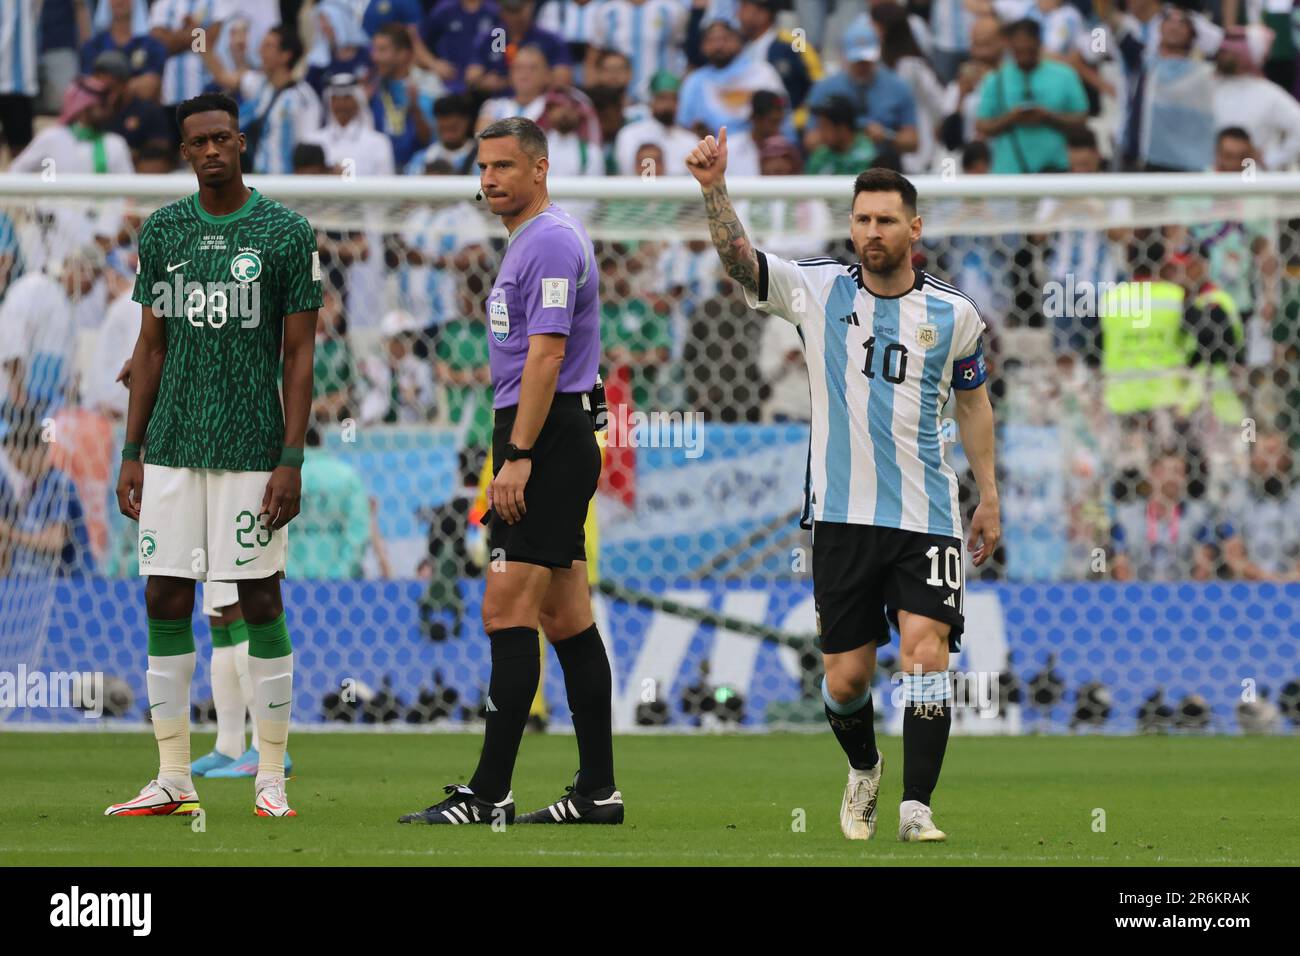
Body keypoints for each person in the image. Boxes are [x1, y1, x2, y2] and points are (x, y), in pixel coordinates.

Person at [687, 129, 1001, 843]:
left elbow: (975, 403)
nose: (871, 232)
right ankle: (864, 767)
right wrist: (714, 188)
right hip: (841, 517)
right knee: (847, 681)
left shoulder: (955, 315)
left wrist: (990, 493)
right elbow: (741, 262)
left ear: (914, 228)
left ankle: (916, 808)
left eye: (886, 220)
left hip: (926, 514)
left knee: (926, 651)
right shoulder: (817, 288)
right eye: (862, 219)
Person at [399, 117, 621, 827]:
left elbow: (547, 356)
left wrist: (517, 455)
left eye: (502, 165)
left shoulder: (551, 241)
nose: (489, 178)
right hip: (545, 431)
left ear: (539, 169)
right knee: (565, 616)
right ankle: (597, 794)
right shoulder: (530, 240)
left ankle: (490, 792)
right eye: (483, 166)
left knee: (504, 609)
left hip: (546, 434)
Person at [109, 91, 322, 819]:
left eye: (221, 138)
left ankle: (269, 777)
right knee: (164, 596)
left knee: (260, 597)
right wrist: (131, 450)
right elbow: (151, 346)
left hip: (251, 446)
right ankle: (173, 775)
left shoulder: (286, 232)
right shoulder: (163, 231)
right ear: (184, 151)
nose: (210, 151)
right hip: (171, 444)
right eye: (197, 142)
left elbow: (299, 357)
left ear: (241, 142)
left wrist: (291, 458)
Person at [974, 18, 1088, 175]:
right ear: (1010, 46)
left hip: (1054, 171)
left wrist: (1048, 116)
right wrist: (1011, 117)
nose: (1024, 56)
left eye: (1029, 50)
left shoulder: (1065, 75)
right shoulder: (995, 79)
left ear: (1038, 43)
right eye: (1018, 51)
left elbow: (1081, 119)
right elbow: (982, 125)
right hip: (1008, 173)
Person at [205, 26, 322, 175]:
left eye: (268, 46)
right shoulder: (260, 86)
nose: (261, 51)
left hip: (287, 184)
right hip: (260, 181)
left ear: (286, 55)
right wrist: (199, 40)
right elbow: (222, 76)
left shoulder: (304, 97)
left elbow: (309, 148)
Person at [806, 19, 919, 161]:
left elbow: (913, 142)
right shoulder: (824, 88)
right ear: (844, 56)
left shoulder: (898, 87)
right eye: (857, 61)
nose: (862, 67)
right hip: (836, 165)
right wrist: (838, 134)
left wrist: (886, 136)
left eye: (867, 61)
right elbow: (810, 141)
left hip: (883, 164)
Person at [676, 16, 785, 138]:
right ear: (703, 47)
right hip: (713, 152)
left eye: (725, 38)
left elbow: (779, 115)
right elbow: (684, 125)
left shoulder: (761, 72)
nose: (718, 45)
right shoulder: (694, 82)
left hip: (760, 149)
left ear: (738, 41)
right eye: (711, 40)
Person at [1212, 29, 1300, 173]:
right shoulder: (1210, 86)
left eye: (1230, 50)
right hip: (1211, 178)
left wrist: (1272, 159)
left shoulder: (1269, 93)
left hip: (1255, 180)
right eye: (1222, 50)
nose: (1223, 54)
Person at [81, 0, 168, 103]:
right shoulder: (93, 46)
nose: (120, 1)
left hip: (142, 114)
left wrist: (110, 88)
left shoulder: (153, 45)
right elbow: (88, 88)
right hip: (105, 116)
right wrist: (131, 87)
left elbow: (150, 87)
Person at [613, 69, 697, 175]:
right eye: (663, 98)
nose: (668, 104)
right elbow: (627, 174)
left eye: (674, 99)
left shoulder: (690, 140)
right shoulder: (629, 134)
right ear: (651, 100)